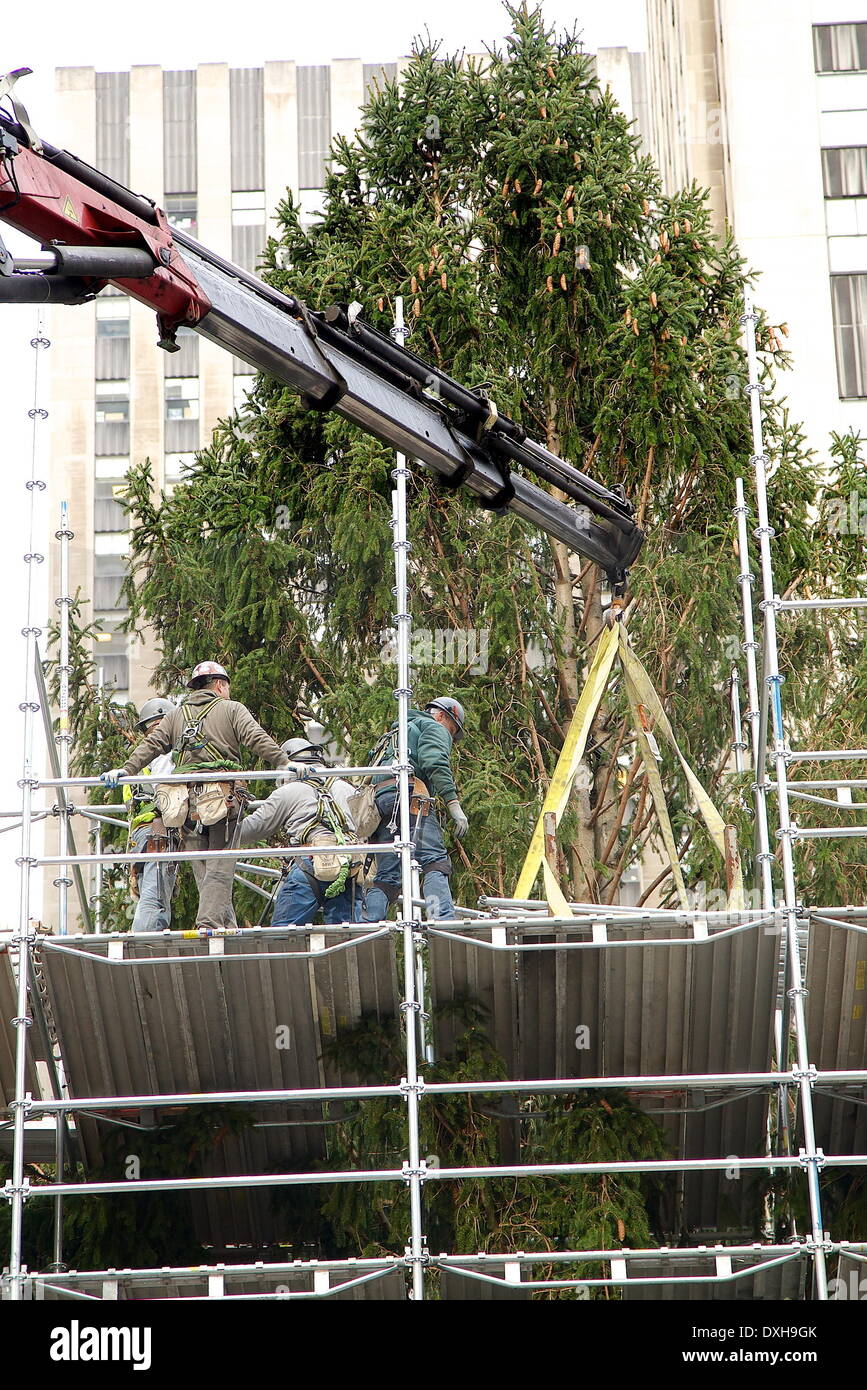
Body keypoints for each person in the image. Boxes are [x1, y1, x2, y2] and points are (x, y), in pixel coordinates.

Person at [101, 661, 288, 929]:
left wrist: (125, 768)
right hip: (223, 799)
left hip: (185, 804)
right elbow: (255, 737)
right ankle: (210, 924)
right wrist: (284, 762)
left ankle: (225, 924)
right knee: (220, 866)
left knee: (203, 867)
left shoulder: (176, 716)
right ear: (221, 685)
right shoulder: (231, 709)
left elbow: (151, 745)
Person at [362, 696, 468, 924]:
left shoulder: (392, 736)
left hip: (381, 804)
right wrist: (453, 803)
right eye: (452, 729)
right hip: (410, 798)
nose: (450, 736)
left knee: (387, 876)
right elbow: (435, 761)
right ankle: (442, 921)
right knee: (434, 861)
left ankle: (370, 925)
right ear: (442, 715)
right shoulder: (432, 726)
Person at [237, 737, 362, 926]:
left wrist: (222, 828)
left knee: (283, 934)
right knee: (346, 936)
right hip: (349, 866)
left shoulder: (289, 792)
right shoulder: (346, 788)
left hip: (309, 864)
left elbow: (252, 829)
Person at [123, 697, 178, 932]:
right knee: (155, 896)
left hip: (140, 836)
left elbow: (130, 804)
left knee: (151, 890)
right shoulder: (166, 755)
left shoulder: (138, 762)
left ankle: (146, 936)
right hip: (159, 831)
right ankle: (143, 940)